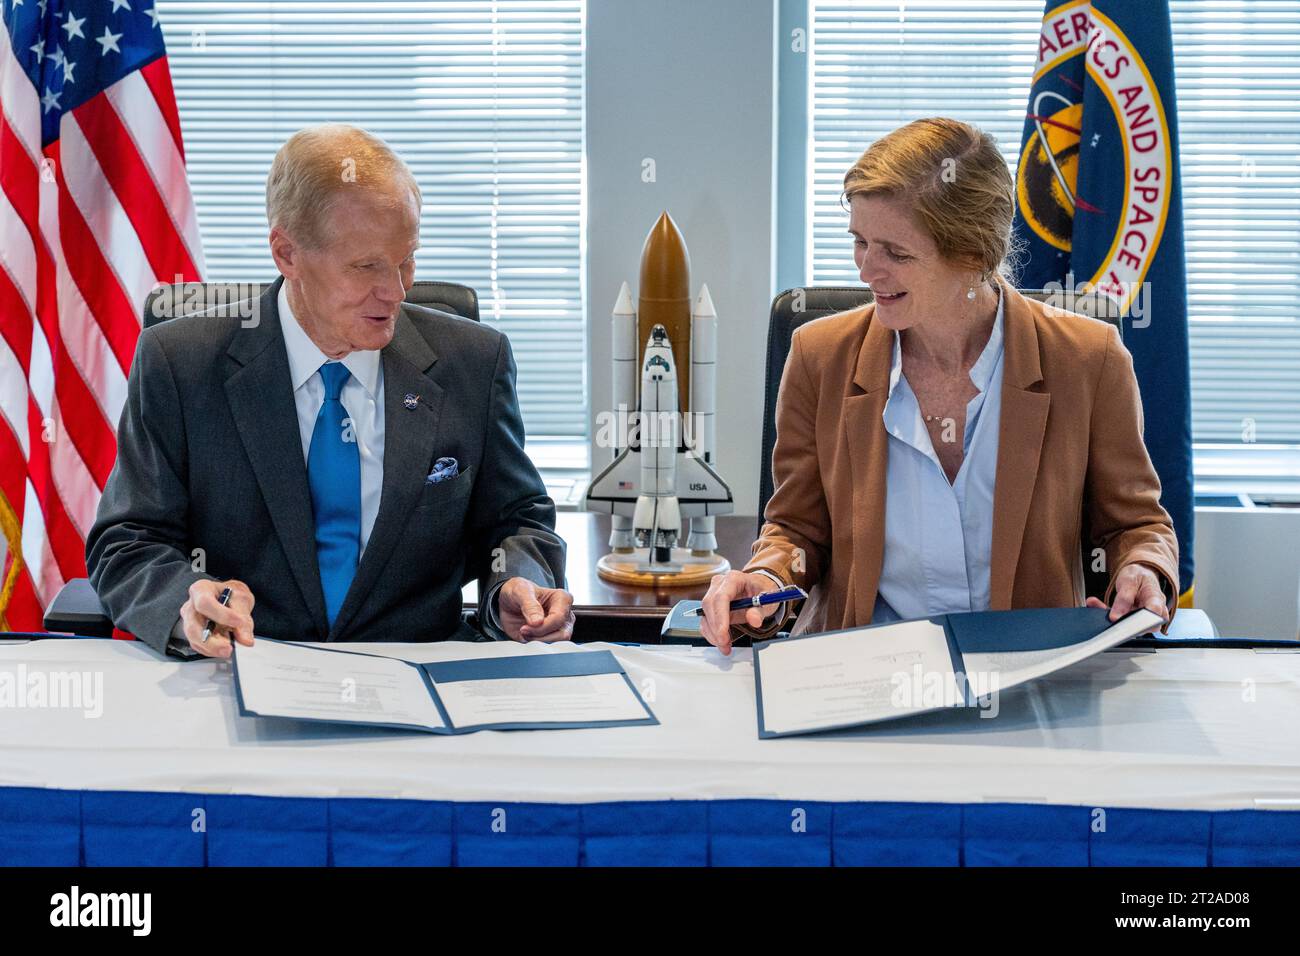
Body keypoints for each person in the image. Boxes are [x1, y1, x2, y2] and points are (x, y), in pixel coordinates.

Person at [87, 124, 573, 659]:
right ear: (287, 254)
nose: (395, 290)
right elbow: (128, 542)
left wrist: (515, 584)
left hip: (417, 674)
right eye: (365, 267)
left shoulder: (474, 364)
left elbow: (516, 519)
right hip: (240, 672)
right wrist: (188, 600)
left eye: (406, 258)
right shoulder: (180, 365)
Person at [700, 117, 1178, 654]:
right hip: (860, 670)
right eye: (860, 242)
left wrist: (1143, 569)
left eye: (896, 253)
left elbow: (1135, 524)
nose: (866, 271)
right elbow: (796, 529)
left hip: (1026, 670)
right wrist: (765, 579)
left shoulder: (1089, 361)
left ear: (973, 254)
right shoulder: (819, 356)